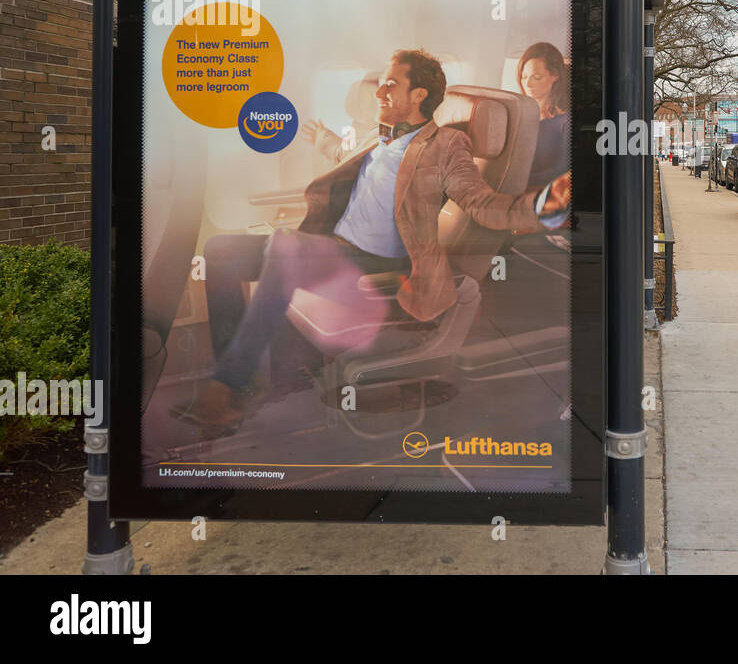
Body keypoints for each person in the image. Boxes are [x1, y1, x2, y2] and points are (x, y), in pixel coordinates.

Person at [173, 48, 571, 431]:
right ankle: (239, 377)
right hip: (338, 246)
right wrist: (326, 142)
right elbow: (351, 161)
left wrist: (542, 206)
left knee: (287, 245)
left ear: (419, 96)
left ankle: (224, 389)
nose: (379, 92)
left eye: (390, 85)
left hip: (377, 261)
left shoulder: (447, 146)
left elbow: (482, 203)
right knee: (220, 251)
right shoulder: (382, 134)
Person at [517, 41, 570, 190]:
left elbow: (562, 173)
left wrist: (516, 179)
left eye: (537, 77)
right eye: (524, 77)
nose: (527, 84)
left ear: (555, 76)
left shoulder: (565, 123)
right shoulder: (518, 119)